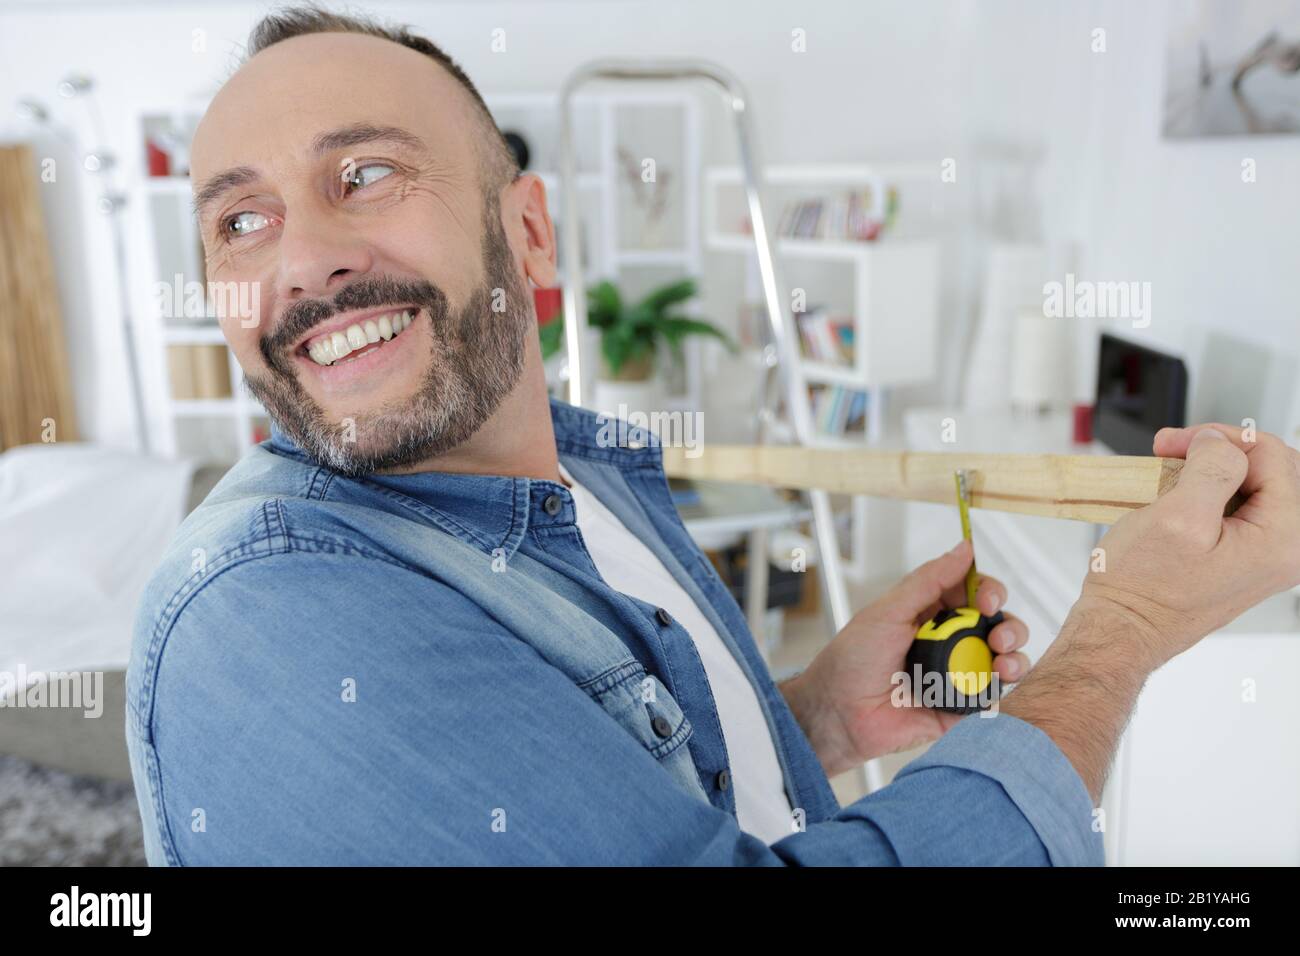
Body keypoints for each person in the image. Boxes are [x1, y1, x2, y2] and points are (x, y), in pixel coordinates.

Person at [126, 7, 1300, 865]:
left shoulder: (582, 475)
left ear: (528, 233)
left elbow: (619, 803)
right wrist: (1119, 637)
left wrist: (813, 717)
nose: (301, 259)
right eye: (240, 220)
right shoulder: (269, 609)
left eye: (366, 172)